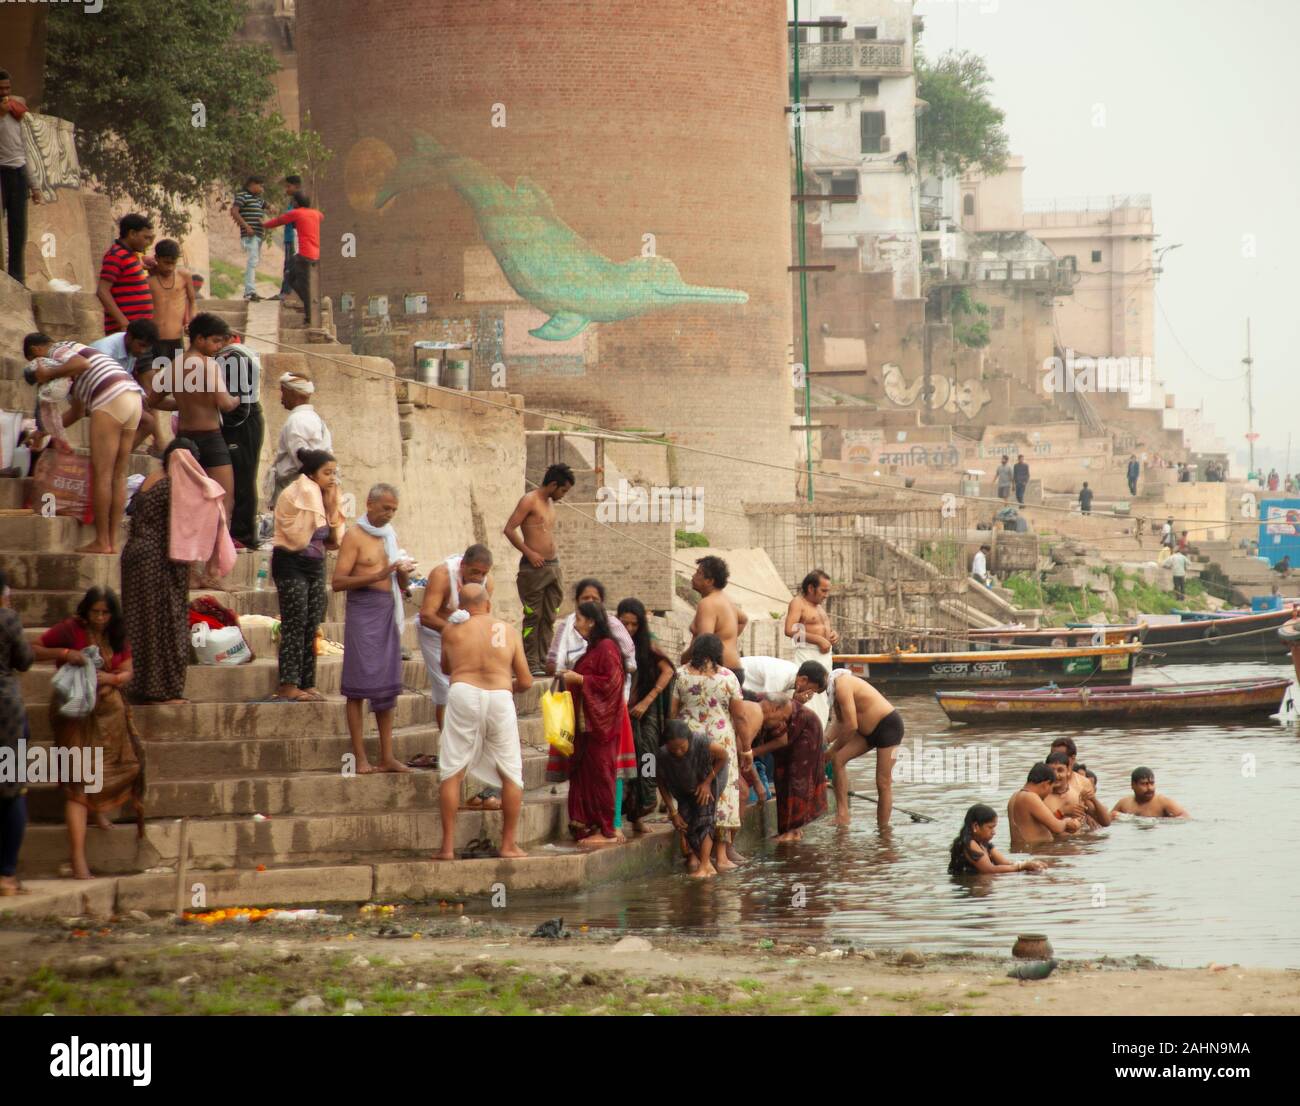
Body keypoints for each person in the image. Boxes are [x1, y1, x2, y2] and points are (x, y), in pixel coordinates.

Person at [32, 588, 143, 881]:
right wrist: (67, 654)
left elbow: (128, 668)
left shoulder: (117, 633)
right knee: (77, 783)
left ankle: (97, 810)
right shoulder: (71, 629)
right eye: (95, 612)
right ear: (86, 610)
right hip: (74, 715)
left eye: (106, 613)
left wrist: (113, 678)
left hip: (107, 720)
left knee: (102, 772)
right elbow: (34, 648)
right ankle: (78, 858)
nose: (100, 618)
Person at [436, 583, 532, 860]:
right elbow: (526, 680)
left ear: (461, 608)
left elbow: (446, 668)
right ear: (488, 605)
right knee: (511, 773)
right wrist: (501, 685)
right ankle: (508, 845)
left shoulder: (451, 630)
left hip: (463, 692)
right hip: (500, 696)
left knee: (452, 770)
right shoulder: (509, 630)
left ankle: (447, 849)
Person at [26, 334, 145, 555]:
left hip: (110, 397)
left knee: (102, 474)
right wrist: (42, 432)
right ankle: (112, 542)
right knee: (118, 475)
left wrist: (46, 372)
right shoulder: (77, 360)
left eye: (34, 360)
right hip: (133, 398)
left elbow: (82, 363)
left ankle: (102, 541)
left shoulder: (58, 348)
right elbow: (78, 412)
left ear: (37, 350)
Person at [333, 483, 412, 775]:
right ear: (369, 504)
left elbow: (401, 586)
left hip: (387, 610)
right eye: (385, 508)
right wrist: (377, 575)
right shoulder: (354, 536)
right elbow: (338, 582)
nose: (389, 514)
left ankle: (387, 756)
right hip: (362, 613)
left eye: (394, 510)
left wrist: (401, 574)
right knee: (357, 687)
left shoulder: (390, 535)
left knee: (386, 688)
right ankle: (361, 758)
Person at [120, 439, 201, 704]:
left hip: (136, 554)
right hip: (158, 559)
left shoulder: (153, 477)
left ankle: (141, 687)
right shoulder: (174, 485)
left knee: (141, 621)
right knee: (161, 623)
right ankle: (160, 691)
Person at [148, 313, 241, 531]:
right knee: (223, 504)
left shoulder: (173, 366)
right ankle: (214, 563)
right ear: (200, 339)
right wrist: (239, 397)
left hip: (183, 441)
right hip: (210, 439)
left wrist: (183, 402)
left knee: (185, 504)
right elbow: (226, 404)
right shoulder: (208, 365)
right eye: (216, 340)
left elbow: (153, 401)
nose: (219, 346)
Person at [554, 602, 634, 846]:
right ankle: (585, 823)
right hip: (585, 725)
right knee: (584, 774)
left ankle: (608, 829)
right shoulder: (593, 648)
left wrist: (578, 678)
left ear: (590, 621)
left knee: (601, 775)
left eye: (578, 619)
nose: (575, 624)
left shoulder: (607, 647)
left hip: (602, 726)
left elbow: (611, 684)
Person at [271, 448, 345, 702]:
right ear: (312, 474)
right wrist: (325, 501)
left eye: (334, 473)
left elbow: (333, 539)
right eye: (327, 473)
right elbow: (303, 533)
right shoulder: (301, 492)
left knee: (312, 622)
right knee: (295, 622)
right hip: (290, 562)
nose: (332, 478)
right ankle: (288, 685)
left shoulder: (325, 496)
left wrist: (332, 502)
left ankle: (307, 682)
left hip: (315, 564)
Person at [671, 632, 747, 868]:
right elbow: (740, 716)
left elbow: (672, 712)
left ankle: (694, 855)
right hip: (721, 741)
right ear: (717, 653)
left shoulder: (681, 675)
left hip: (688, 741)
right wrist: (747, 748)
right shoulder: (728, 678)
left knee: (691, 791)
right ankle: (721, 856)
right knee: (721, 794)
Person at [504, 463, 574, 675]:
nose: (563, 495)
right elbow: (509, 529)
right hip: (533, 569)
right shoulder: (530, 500)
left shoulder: (550, 503)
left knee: (549, 615)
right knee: (532, 615)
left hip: (552, 567)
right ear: (553, 484)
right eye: (562, 490)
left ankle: (544, 660)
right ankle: (530, 661)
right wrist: (529, 552)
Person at [419, 543, 495, 732]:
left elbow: (483, 615)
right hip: (434, 635)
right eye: (474, 572)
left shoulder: (487, 583)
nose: (478, 578)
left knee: (467, 687)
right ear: (462, 566)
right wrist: (451, 630)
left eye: (483, 574)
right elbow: (426, 615)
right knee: (445, 690)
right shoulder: (442, 575)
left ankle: (466, 743)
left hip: (464, 636)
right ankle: (447, 746)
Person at [616, 597, 676, 834]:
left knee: (647, 761)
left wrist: (647, 700)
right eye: (625, 624)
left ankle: (640, 814)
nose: (630, 629)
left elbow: (668, 670)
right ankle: (618, 819)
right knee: (623, 767)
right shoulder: (612, 642)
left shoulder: (647, 643)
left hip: (644, 715)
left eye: (634, 625)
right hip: (620, 714)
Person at [817, 666, 901, 829]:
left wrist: (831, 750)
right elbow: (840, 722)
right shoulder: (833, 689)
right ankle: (843, 816)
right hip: (865, 732)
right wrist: (824, 740)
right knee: (837, 761)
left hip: (888, 727)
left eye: (812, 689)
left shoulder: (842, 684)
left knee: (883, 783)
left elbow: (851, 726)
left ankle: (883, 831)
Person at [656, 720, 729, 879]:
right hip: (683, 788)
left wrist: (707, 782)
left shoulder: (702, 742)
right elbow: (660, 782)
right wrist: (673, 811)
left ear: (689, 739)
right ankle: (708, 864)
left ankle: (703, 865)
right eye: (673, 749)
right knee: (686, 823)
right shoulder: (661, 755)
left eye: (682, 747)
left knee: (705, 817)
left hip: (708, 780)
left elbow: (724, 756)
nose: (678, 752)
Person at [751, 692, 826, 842]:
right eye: (782, 718)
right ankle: (786, 829)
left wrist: (751, 753)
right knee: (781, 776)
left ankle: (793, 830)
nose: (783, 722)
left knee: (798, 777)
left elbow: (782, 740)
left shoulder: (799, 717)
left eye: (786, 719)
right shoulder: (756, 706)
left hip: (808, 733)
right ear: (774, 709)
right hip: (788, 742)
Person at [0, 571, 34, 896]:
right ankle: (6, 874)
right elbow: (24, 660)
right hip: (6, 712)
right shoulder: (7, 618)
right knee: (12, 789)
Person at [217, 332, 264, 548]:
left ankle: (243, 535)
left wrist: (224, 423)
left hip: (241, 423)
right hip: (246, 420)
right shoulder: (238, 354)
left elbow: (239, 403)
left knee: (242, 478)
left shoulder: (232, 357)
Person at [545, 578, 636, 689]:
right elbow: (553, 660)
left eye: (594, 599)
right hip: (573, 691)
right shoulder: (568, 624)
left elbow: (627, 665)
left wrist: (584, 677)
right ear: (577, 601)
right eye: (585, 598)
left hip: (605, 696)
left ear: (601, 602)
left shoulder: (611, 629)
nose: (590, 601)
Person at [0, 71, 42, 285]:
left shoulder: (16, 113)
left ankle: (17, 280)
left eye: (8, 88)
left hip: (17, 174)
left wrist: (34, 186)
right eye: (1, 90)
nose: (5, 94)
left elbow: (24, 151)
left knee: (18, 230)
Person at [681, 555, 749, 685]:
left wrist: (684, 657)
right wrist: (726, 639)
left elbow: (704, 642)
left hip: (718, 672)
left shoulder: (707, 603)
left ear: (709, 581)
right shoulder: (725, 600)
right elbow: (743, 619)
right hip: (734, 669)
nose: (693, 576)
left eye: (698, 573)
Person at [266, 370, 332, 507]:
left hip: (296, 493)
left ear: (292, 394)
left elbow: (303, 462)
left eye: (283, 393)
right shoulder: (315, 419)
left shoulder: (296, 421)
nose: (281, 399)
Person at [784, 569, 837, 728]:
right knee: (809, 694)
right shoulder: (798, 603)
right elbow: (789, 630)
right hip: (808, 656)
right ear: (811, 588)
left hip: (825, 658)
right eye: (823, 590)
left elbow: (821, 629)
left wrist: (833, 635)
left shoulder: (819, 607)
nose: (826, 595)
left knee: (824, 696)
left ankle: (819, 731)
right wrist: (818, 639)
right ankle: (806, 730)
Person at [262, 193, 323, 325]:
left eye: (293, 202)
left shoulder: (296, 213)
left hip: (304, 256)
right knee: (297, 281)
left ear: (296, 203)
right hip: (315, 256)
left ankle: (309, 315)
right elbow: (320, 216)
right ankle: (308, 308)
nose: (292, 204)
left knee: (296, 282)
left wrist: (263, 225)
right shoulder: (316, 214)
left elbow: (279, 221)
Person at [947, 804, 1046, 875]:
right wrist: (1021, 867)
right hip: (970, 889)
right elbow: (989, 870)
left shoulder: (984, 844)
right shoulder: (969, 843)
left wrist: (1029, 863)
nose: (994, 832)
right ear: (976, 826)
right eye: (990, 827)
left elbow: (1006, 863)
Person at [97, 213, 155, 334]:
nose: (148, 242)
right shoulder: (116, 255)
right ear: (132, 234)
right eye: (146, 237)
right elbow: (102, 291)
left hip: (140, 332)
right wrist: (123, 323)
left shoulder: (130, 255)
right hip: (126, 333)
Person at [1007, 763, 1080, 849]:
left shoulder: (1015, 796)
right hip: (1036, 852)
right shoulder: (1030, 797)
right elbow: (1057, 827)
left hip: (1024, 851)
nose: (1049, 793)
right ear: (1046, 784)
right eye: (1051, 788)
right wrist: (1068, 822)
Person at [146, 239, 195, 361]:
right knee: (156, 377)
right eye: (166, 263)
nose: (169, 267)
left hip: (176, 338)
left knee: (177, 377)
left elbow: (192, 301)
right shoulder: (149, 280)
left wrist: (191, 321)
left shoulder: (184, 276)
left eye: (173, 263)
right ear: (157, 258)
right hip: (154, 339)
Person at [1047, 737, 1110, 828]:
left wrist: (1088, 813)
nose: (1056, 758)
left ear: (1072, 759)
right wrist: (1062, 812)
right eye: (1052, 754)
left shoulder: (1083, 783)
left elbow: (1104, 821)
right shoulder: (1043, 782)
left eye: (1060, 755)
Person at [231, 175, 268, 302]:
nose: (262, 188)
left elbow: (269, 207)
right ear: (252, 184)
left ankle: (251, 290)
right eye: (260, 185)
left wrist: (272, 209)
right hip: (250, 234)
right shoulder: (242, 196)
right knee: (252, 261)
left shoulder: (258, 199)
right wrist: (246, 226)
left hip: (258, 235)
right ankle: (249, 291)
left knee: (254, 261)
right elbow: (234, 211)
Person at [1112, 767, 1189, 819]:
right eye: (1144, 784)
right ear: (1133, 785)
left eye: (1152, 783)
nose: (1150, 788)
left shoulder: (1163, 802)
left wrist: (1165, 822)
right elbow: (1107, 820)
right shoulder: (1124, 803)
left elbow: (1186, 818)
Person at [90, 319, 159, 375]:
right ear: (129, 337)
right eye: (141, 345)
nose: (143, 351)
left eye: (147, 347)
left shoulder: (131, 347)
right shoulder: (105, 353)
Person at [277, 174, 304, 300]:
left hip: (293, 238)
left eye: (288, 186)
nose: (286, 189)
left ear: (296, 186)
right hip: (289, 238)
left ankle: (286, 292)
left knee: (290, 266)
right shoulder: (293, 201)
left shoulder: (298, 201)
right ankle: (285, 291)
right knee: (288, 265)